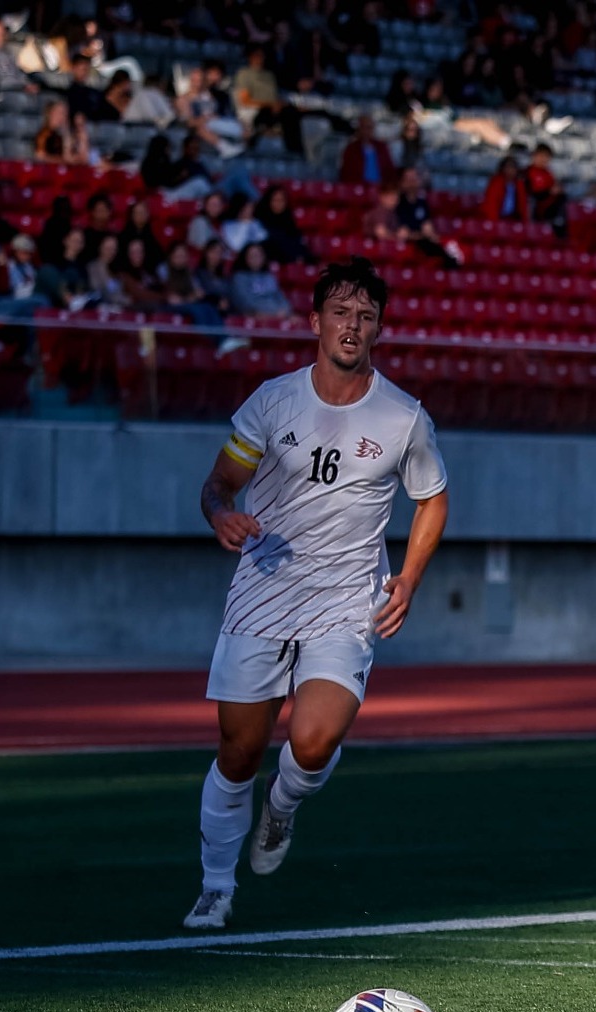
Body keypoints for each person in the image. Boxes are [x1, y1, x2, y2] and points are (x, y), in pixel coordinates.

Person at [183, 257, 450, 930]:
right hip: (264, 589)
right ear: (315, 322)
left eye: (366, 316)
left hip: (345, 600)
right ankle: (217, 885)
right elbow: (218, 485)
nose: (352, 326)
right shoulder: (272, 401)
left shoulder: (403, 417)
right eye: (340, 312)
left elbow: (433, 500)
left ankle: (284, 808)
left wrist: (409, 578)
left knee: (312, 739)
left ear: (380, 329)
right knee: (238, 752)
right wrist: (221, 515)